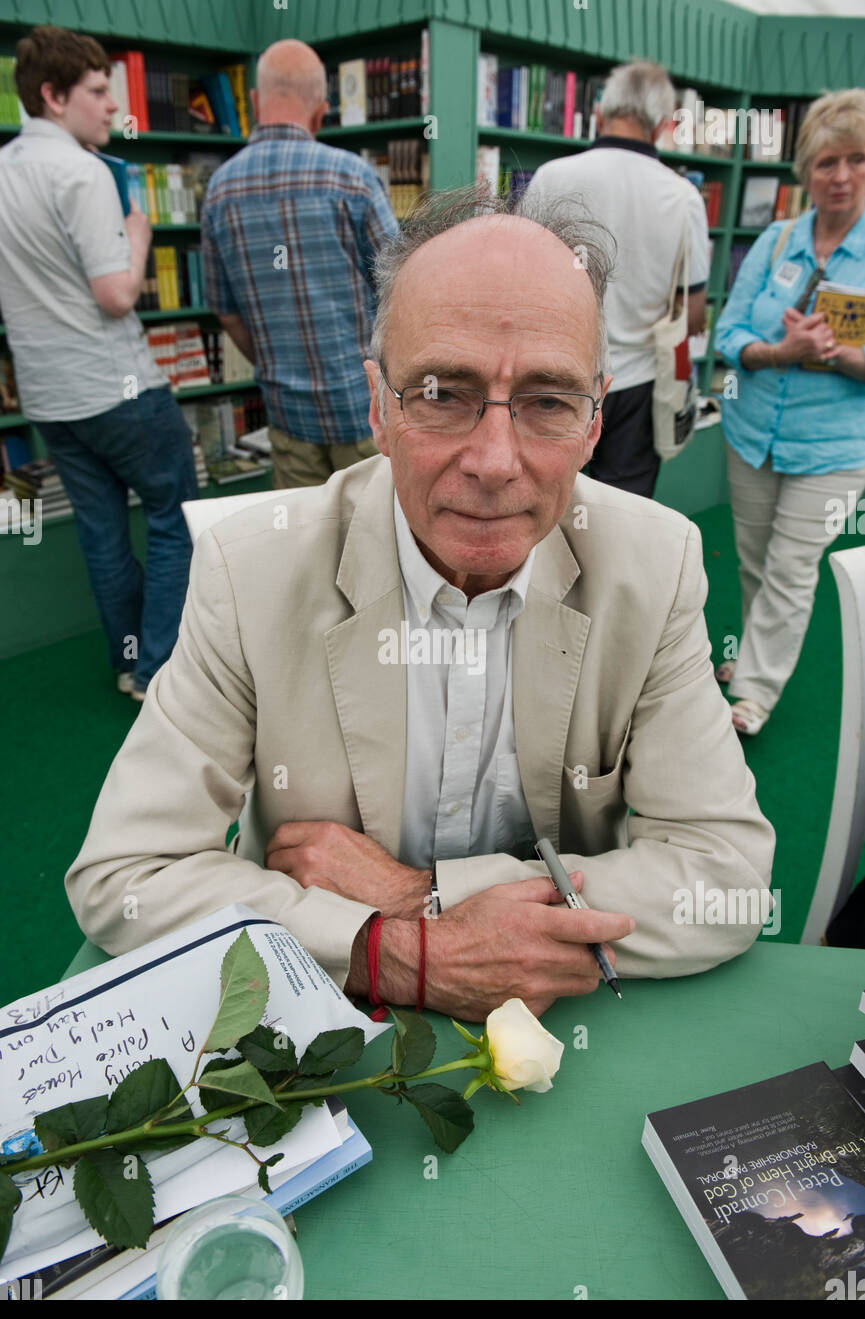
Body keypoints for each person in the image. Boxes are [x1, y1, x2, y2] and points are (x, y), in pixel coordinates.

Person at [65, 189, 774, 1022]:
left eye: (547, 401)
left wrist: (419, 897)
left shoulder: (654, 565)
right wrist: (385, 953)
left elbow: (722, 878)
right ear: (377, 406)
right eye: (442, 392)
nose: (494, 461)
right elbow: (128, 878)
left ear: (592, 422)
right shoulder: (249, 569)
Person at [0, 26, 198, 701]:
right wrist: (137, 236)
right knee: (176, 513)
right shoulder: (82, 173)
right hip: (116, 388)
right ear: (54, 96)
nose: (114, 106)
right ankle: (160, 671)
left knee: (102, 531)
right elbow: (115, 294)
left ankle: (129, 661)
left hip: (48, 395)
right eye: (97, 92)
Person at [714, 89, 865, 736]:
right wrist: (781, 351)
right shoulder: (776, 241)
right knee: (752, 558)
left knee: (789, 568)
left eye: (857, 160)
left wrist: (836, 356)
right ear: (804, 170)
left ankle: (752, 691)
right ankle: (755, 654)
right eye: (826, 162)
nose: (841, 176)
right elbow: (725, 336)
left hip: (832, 450)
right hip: (750, 435)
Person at [200, 39, 399, 490]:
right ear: (321, 111)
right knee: (380, 545)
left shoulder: (220, 190)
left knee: (304, 550)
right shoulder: (350, 176)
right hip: (366, 416)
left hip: (288, 417)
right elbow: (404, 283)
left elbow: (225, 311)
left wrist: (272, 358)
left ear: (253, 102)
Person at [521, 60, 709, 498]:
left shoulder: (553, 176)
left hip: (558, 373)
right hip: (640, 382)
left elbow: (521, 278)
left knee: (546, 495)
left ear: (602, 112)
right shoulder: (683, 197)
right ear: (663, 125)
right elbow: (694, 314)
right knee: (625, 508)